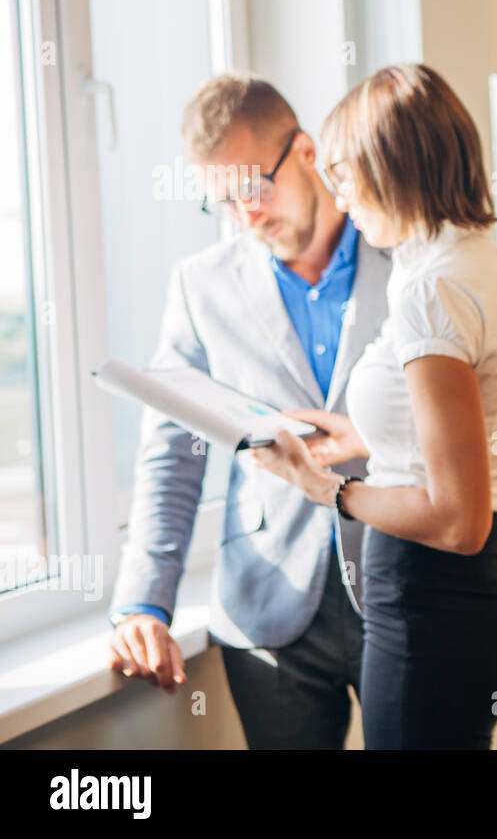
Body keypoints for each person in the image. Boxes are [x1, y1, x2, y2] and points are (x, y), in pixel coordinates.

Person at [249, 63, 497, 749]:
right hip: (483, 612)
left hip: (428, 615)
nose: (341, 200)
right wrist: (364, 438)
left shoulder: (427, 292)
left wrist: (327, 489)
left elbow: (457, 519)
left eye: (346, 176)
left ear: (392, 167)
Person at [108, 73, 391, 748]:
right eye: (223, 202)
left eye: (253, 190)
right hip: (268, 609)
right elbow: (171, 452)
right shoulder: (199, 286)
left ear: (306, 151)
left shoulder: (400, 251)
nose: (246, 217)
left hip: (400, 583)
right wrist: (145, 601)